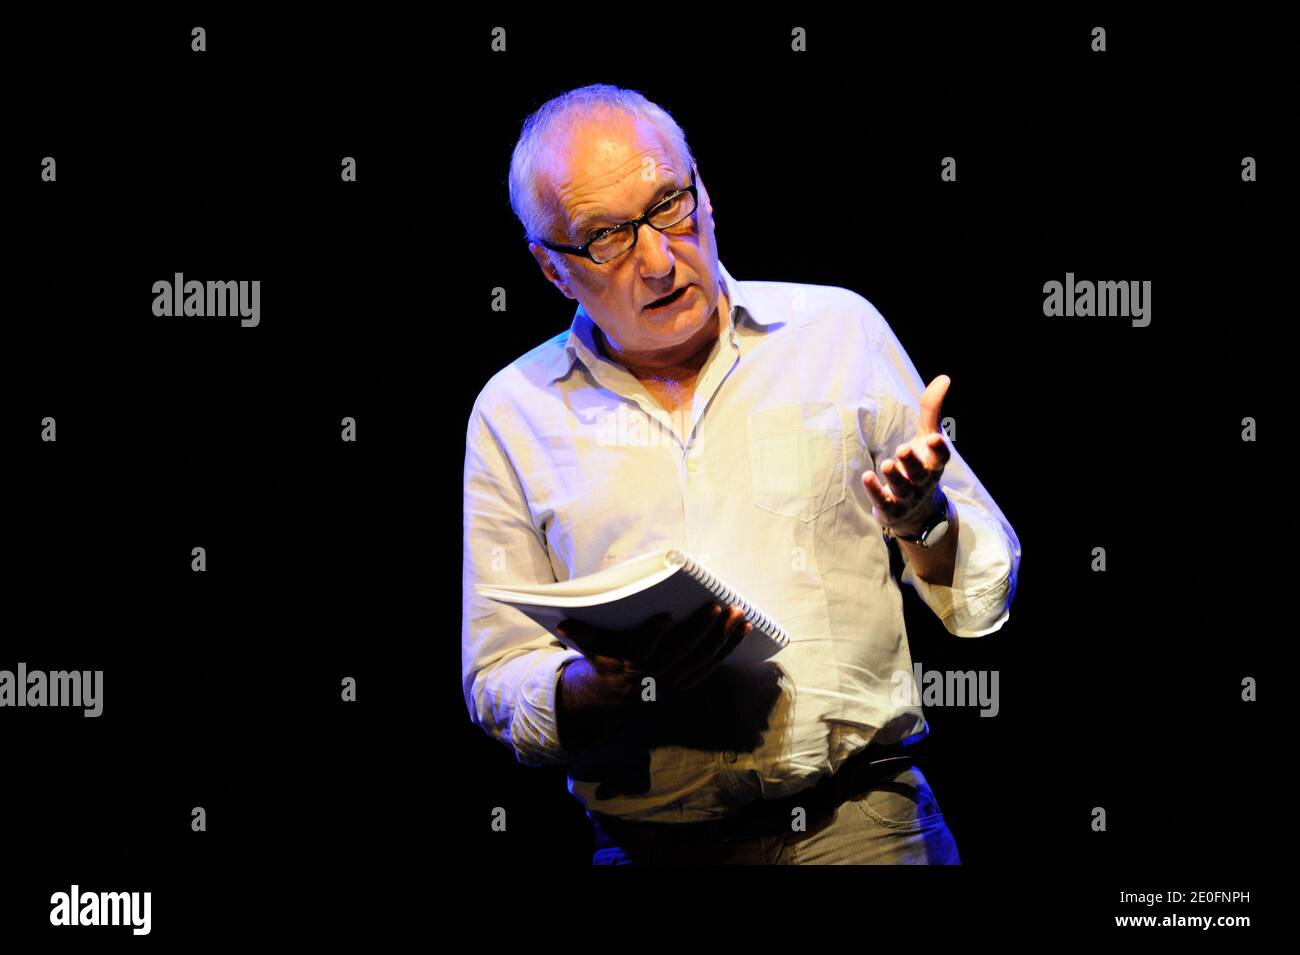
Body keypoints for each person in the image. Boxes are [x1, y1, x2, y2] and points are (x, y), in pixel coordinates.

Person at [462, 83, 1021, 864]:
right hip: (646, 846)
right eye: (607, 238)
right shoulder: (512, 411)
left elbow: (985, 602)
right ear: (553, 269)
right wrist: (598, 688)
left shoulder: (837, 332)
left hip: (861, 825)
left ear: (706, 192)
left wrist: (920, 521)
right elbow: (496, 673)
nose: (659, 259)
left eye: (669, 206)